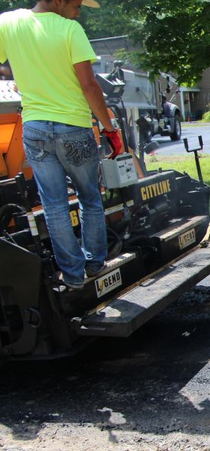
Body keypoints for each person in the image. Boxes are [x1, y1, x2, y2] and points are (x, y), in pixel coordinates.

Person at [0, 0, 122, 290]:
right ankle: (94, 264)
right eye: (77, 4)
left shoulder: (8, 22)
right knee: (89, 197)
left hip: (35, 129)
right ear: (58, 1)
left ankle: (73, 275)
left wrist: (21, 79)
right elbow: (89, 86)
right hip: (73, 127)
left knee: (54, 205)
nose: (78, 12)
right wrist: (109, 128)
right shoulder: (70, 30)